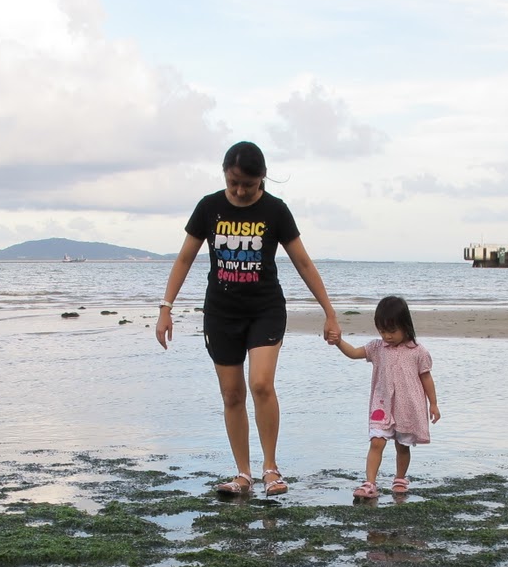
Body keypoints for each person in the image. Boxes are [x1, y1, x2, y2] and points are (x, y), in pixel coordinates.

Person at [155, 141, 343, 497]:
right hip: (221, 313)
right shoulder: (209, 208)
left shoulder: (276, 210)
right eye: (233, 183)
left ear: (262, 179)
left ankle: (271, 469)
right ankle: (243, 475)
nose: (240, 191)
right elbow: (184, 259)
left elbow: (303, 262)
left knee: (260, 384)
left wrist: (330, 312)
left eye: (248, 184)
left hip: (265, 309)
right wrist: (166, 307)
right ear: (225, 175)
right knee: (231, 394)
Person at [325, 295, 440, 499]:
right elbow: (353, 353)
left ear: (406, 326)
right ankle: (370, 483)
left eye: (392, 331)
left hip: (407, 407)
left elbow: (426, 378)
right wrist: (339, 342)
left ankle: (400, 478)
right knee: (376, 441)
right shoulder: (377, 348)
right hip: (382, 405)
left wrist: (434, 404)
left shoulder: (418, 351)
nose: (387, 336)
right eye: (382, 331)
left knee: (402, 445)